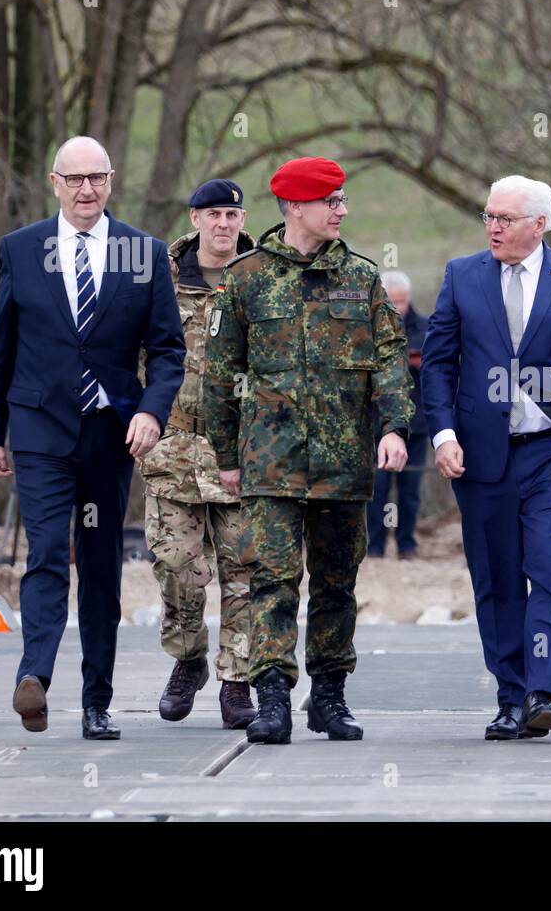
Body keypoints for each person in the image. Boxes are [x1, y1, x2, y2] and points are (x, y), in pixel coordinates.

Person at [0, 135, 185, 739]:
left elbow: (168, 350)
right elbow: (1, 348)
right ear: (55, 182)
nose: (87, 189)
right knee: (45, 552)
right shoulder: (20, 249)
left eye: (97, 177)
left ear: (111, 180)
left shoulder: (143, 254)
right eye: (76, 179)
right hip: (41, 431)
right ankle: (34, 676)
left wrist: (151, 411)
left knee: (99, 564)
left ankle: (98, 701)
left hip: (110, 435)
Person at [203, 156, 412, 745]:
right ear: (296, 207)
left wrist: (395, 426)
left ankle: (329, 695)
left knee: (337, 584)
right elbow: (220, 375)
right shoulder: (246, 278)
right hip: (270, 462)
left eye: (343, 201)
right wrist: (225, 457)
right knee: (271, 582)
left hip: (343, 464)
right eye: (331, 202)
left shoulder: (362, 278)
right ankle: (272, 698)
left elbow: (391, 360)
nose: (341, 212)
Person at [422, 175, 551, 741]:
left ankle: (541, 691)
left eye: (505, 218)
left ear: (540, 224)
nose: (493, 227)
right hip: (481, 456)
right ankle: (510, 695)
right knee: (497, 577)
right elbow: (437, 365)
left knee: (549, 569)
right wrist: (442, 435)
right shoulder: (462, 276)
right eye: (488, 216)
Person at [142, 179, 257, 729]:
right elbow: (128, 350)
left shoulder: (263, 277)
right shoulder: (158, 280)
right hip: (175, 449)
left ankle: (237, 681)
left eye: (232, 214)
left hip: (244, 450)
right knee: (177, 567)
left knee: (245, 573)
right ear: (194, 220)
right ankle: (189, 659)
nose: (223, 224)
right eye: (213, 214)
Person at [366, 270, 429, 559]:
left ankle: (407, 543)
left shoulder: (427, 328)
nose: (399, 308)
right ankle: (375, 545)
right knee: (376, 489)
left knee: (410, 490)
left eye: (403, 302)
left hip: (415, 424)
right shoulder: (368, 327)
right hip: (377, 424)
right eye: (394, 302)